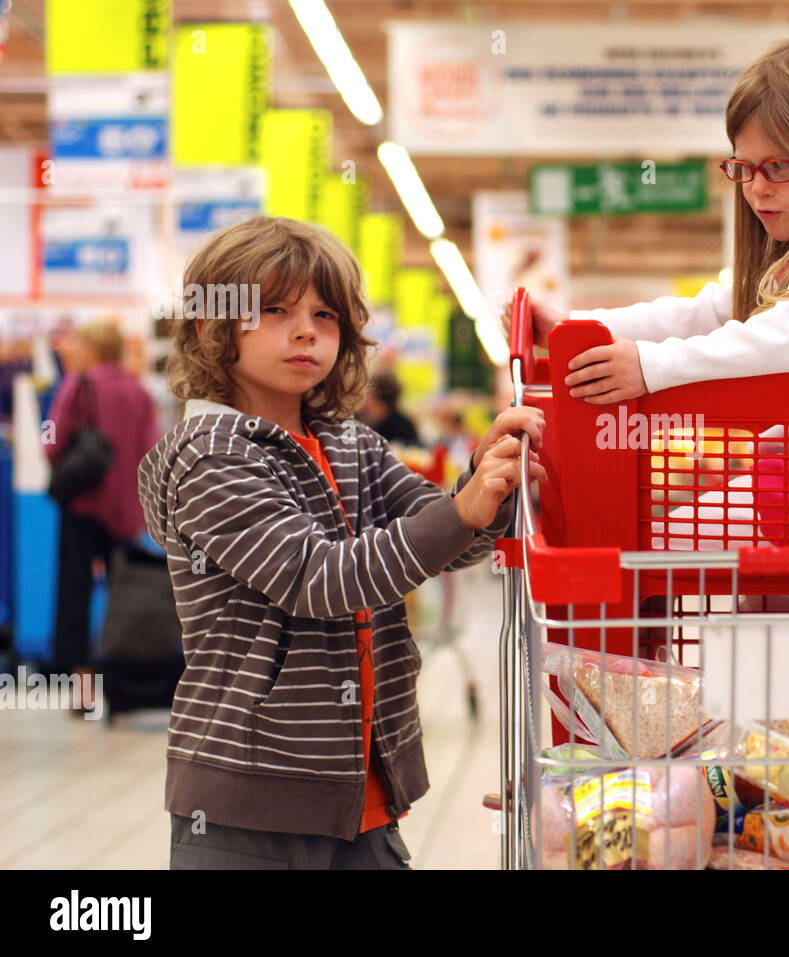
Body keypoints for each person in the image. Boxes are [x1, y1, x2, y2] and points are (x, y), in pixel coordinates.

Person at [137, 216, 545, 869]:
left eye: (324, 315)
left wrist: (485, 485)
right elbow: (318, 577)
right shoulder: (207, 456)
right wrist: (461, 513)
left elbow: (449, 538)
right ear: (209, 328)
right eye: (274, 310)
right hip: (247, 809)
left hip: (362, 798)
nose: (306, 330)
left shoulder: (349, 443)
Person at [525, 31, 789, 399]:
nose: (756, 188)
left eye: (778, 168)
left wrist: (653, 367)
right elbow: (703, 313)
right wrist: (574, 327)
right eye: (743, 168)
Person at [45, 320, 159, 711]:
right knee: (124, 596)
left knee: (74, 595)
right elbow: (152, 452)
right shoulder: (140, 392)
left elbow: (51, 438)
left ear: (92, 348)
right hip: (126, 511)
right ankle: (123, 687)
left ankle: (82, 692)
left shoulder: (77, 385)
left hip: (83, 505)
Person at [361, 369, 422, 447]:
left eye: (368, 393)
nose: (365, 398)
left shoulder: (401, 427)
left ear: (376, 397)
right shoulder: (405, 423)